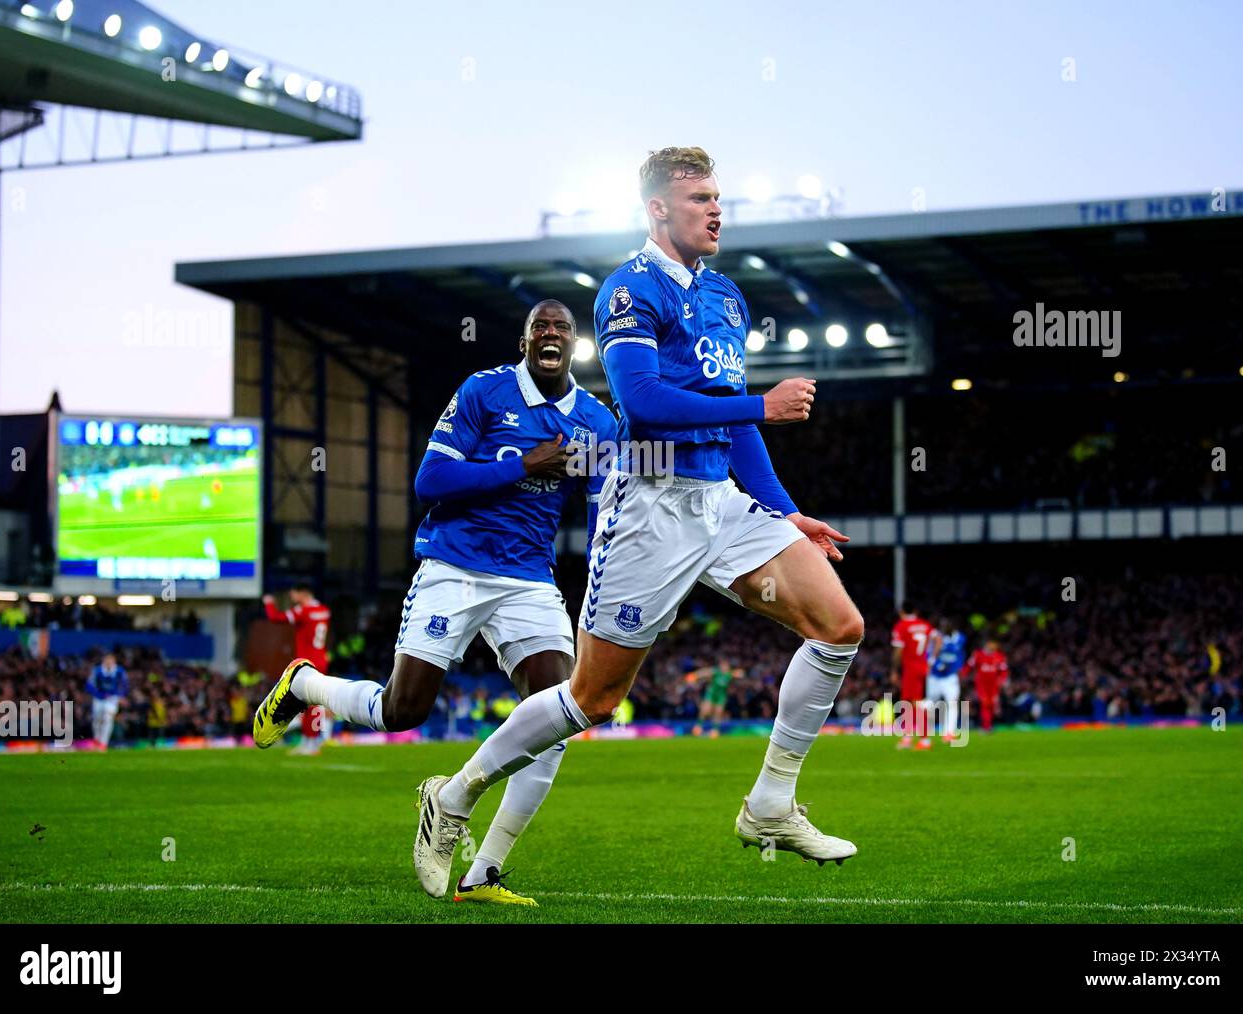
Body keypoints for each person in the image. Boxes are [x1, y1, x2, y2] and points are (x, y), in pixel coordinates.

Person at [414, 147, 864, 897]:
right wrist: (764, 404)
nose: (716, 210)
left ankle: (770, 805)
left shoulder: (725, 297)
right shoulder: (629, 291)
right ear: (658, 209)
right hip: (649, 503)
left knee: (840, 626)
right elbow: (645, 403)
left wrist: (785, 510)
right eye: (700, 199)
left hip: (719, 497)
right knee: (592, 700)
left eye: (720, 198)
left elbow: (732, 418)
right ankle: (453, 796)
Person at [254, 299, 617, 906]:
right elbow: (430, 481)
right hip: (454, 564)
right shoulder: (484, 392)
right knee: (403, 711)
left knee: (558, 713)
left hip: (528, 577)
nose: (550, 334)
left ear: (576, 344)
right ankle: (305, 686)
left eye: (562, 327)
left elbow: (602, 507)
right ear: (525, 340)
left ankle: (485, 872)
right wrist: (522, 463)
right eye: (540, 327)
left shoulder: (596, 422)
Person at [261, 584, 332, 752]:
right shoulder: (324, 610)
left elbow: (276, 618)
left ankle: (312, 742)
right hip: (320, 659)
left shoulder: (303, 611)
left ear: (303, 593)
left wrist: (269, 602)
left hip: (308, 662)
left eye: (294, 593)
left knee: (309, 703)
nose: (292, 596)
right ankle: (309, 740)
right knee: (309, 702)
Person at [891, 605, 935, 750]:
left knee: (914, 703)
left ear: (902, 612)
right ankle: (908, 737)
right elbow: (938, 639)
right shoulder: (925, 625)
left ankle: (924, 740)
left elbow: (898, 650)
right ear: (915, 611)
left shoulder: (901, 626)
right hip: (922, 667)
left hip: (910, 668)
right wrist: (931, 660)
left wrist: (894, 670)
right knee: (910, 702)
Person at [926, 618, 966, 741]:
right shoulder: (935, 637)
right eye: (941, 625)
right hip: (935, 677)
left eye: (946, 625)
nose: (943, 628)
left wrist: (959, 670)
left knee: (953, 703)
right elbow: (928, 653)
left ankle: (949, 733)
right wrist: (934, 663)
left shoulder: (960, 638)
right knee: (930, 704)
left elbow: (960, 654)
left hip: (950, 677)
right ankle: (925, 730)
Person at [962, 639, 1010, 732]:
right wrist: (964, 674)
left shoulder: (999, 657)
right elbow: (969, 666)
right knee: (985, 704)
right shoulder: (977, 655)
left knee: (992, 704)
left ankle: (988, 725)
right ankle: (986, 726)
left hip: (994, 685)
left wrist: (1003, 680)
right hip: (982, 684)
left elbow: (1004, 670)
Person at [86, 652, 128, 750]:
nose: (109, 663)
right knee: (97, 719)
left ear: (114, 662)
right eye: (107, 660)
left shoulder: (119, 671)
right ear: (103, 661)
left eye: (111, 661)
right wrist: (99, 694)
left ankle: (103, 743)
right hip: (99, 698)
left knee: (107, 717)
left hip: (112, 698)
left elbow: (125, 685)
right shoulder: (97, 670)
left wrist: (121, 696)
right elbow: (89, 685)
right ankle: (97, 739)